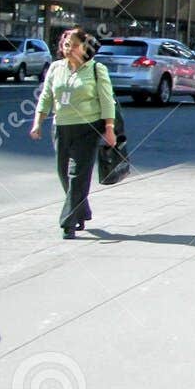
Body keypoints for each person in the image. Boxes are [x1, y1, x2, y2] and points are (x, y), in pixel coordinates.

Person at [29, 28, 117, 239]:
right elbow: (46, 97)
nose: (69, 49)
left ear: (85, 47)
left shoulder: (96, 69)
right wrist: (37, 122)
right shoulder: (56, 68)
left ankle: (68, 221)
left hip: (88, 127)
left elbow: (107, 100)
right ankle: (82, 210)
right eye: (66, 45)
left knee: (77, 175)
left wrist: (109, 129)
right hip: (61, 126)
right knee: (63, 173)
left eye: (74, 45)